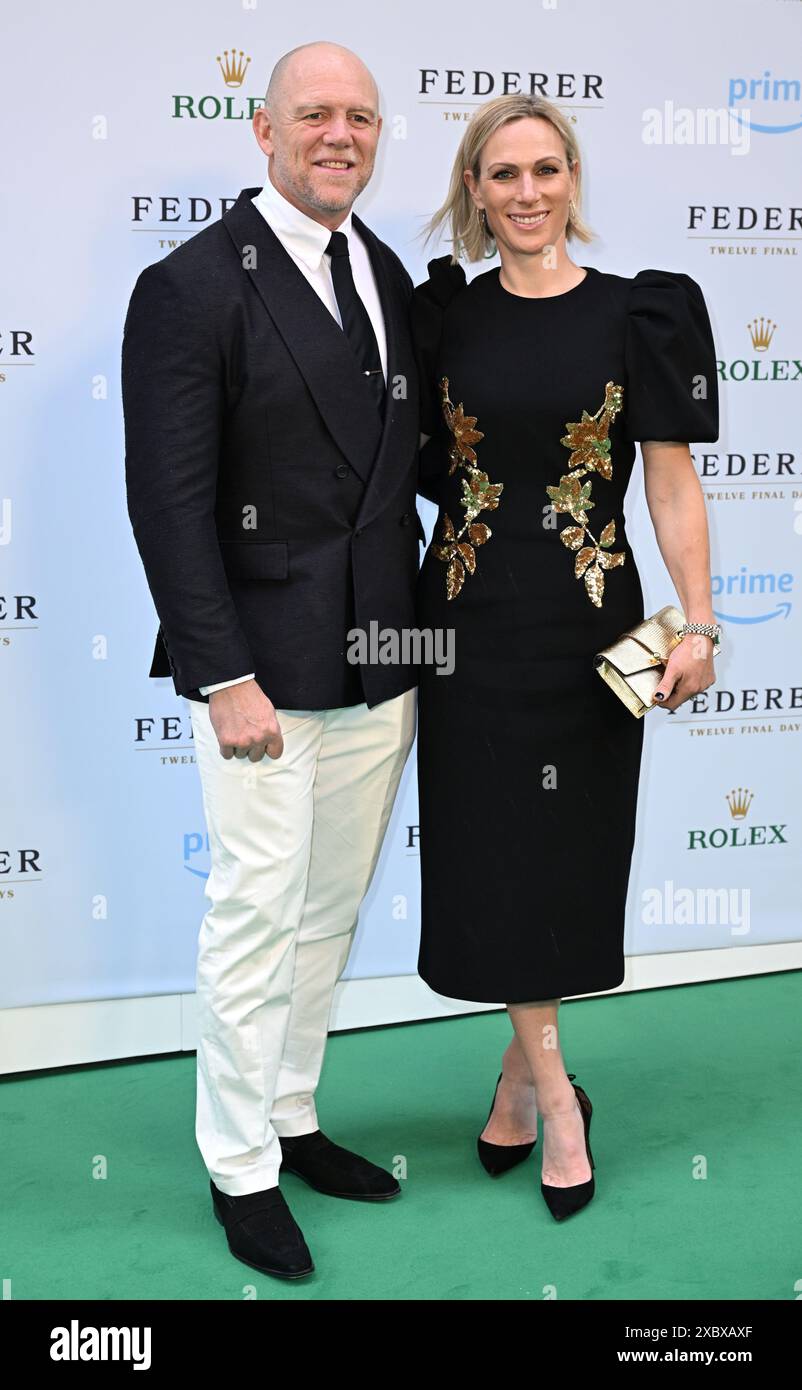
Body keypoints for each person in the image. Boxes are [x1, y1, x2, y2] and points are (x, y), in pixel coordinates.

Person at [122, 41, 424, 1279]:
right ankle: (239, 1168)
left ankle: (291, 1116)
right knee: (254, 914)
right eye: (314, 114)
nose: (338, 134)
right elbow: (168, 503)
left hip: (381, 656)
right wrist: (221, 673)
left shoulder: (388, 269)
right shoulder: (192, 286)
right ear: (262, 129)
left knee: (325, 914)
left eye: (358, 116)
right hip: (259, 670)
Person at [411, 94, 721, 1221]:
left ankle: (515, 1086)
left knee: (567, 854)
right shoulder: (440, 317)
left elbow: (670, 481)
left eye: (547, 169)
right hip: (462, 625)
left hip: (604, 629)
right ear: (475, 191)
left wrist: (698, 619)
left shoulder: (642, 315)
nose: (528, 192)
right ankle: (555, 1093)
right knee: (492, 854)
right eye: (503, 175)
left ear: (574, 180)